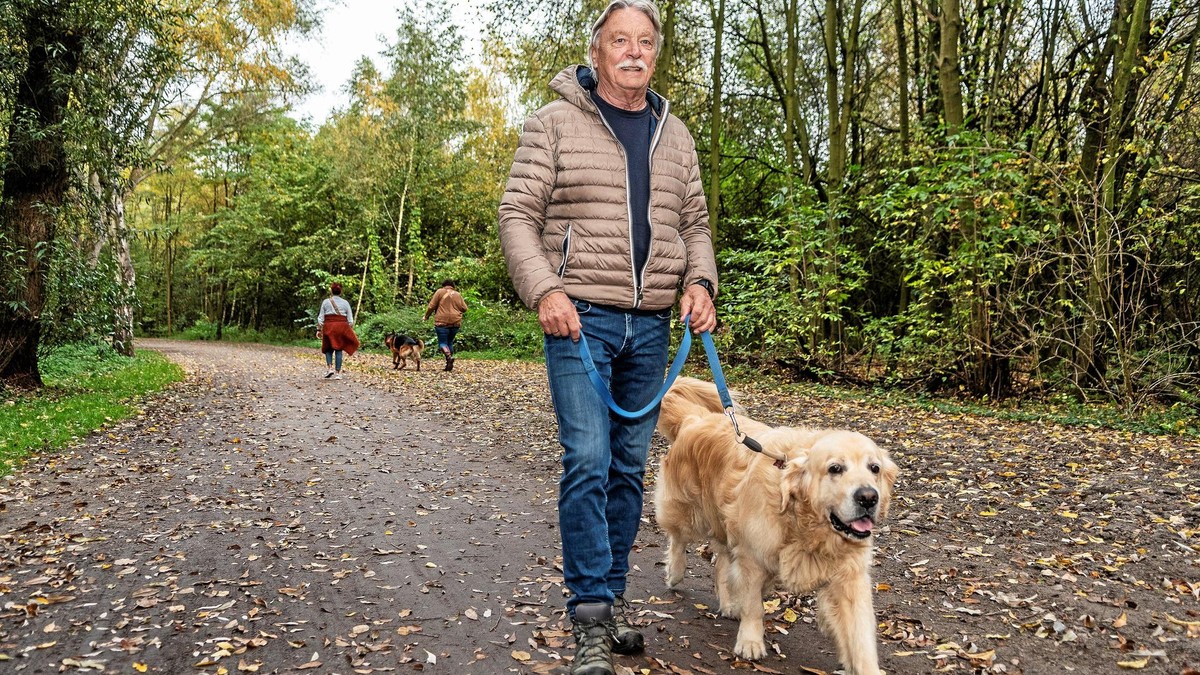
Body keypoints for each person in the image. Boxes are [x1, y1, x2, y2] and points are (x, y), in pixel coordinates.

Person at [497, 1, 717, 672]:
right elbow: (516, 214)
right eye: (619, 40)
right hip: (578, 320)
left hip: (652, 326)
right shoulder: (555, 122)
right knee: (588, 459)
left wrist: (701, 283)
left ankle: (614, 596)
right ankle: (590, 613)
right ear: (596, 52)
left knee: (626, 467)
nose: (632, 51)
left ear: (656, 53)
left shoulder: (675, 135)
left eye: (644, 41)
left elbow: (698, 223)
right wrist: (545, 289)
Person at [316, 282, 359, 379]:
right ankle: (338, 373)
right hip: (341, 327)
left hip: (329, 326)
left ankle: (330, 368)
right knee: (339, 349)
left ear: (331, 291)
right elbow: (350, 320)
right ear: (341, 291)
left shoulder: (326, 302)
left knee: (328, 348)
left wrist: (319, 329)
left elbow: (320, 318)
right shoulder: (345, 303)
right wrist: (347, 329)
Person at [424, 279, 467, 371]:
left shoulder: (439, 292)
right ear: (453, 286)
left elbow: (431, 306)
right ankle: (448, 364)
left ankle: (448, 356)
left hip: (441, 321)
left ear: (443, 285)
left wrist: (426, 316)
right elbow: (464, 308)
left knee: (443, 343)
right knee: (450, 342)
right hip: (455, 322)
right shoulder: (457, 294)